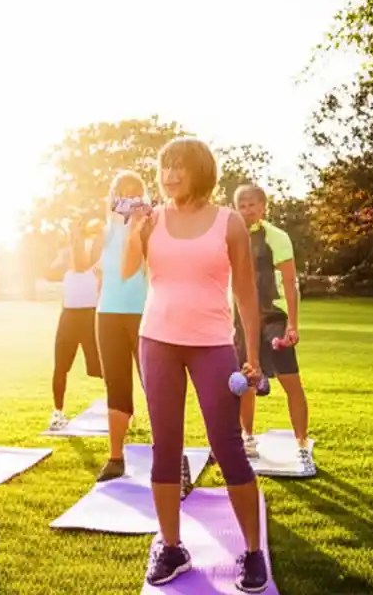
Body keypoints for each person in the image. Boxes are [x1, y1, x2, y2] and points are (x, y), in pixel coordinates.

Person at [122, 137, 267, 592]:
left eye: (179, 168)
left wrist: (254, 357)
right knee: (165, 446)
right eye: (164, 167)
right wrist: (134, 228)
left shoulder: (229, 223)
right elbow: (127, 270)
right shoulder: (153, 220)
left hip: (212, 346)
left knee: (227, 446)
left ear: (200, 171)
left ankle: (251, 551)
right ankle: (171, 546)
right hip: (157, 342)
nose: (168, 176)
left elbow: (246, 291)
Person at [88, 171, 189, 488]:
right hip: (107, 315)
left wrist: (139, 226)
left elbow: (142, 266)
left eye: (134, 190)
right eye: (121, 190)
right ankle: (116, 458)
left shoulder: (151, 225)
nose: (128, 195)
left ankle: (177, 460)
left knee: (157, 388)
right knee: (115, 386)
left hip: (144, 315)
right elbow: (97, 270)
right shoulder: (105, 230)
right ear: (113, 195)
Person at [232, 184, 312, 474]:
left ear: (263, 207)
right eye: (242, 204)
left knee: (291, 382)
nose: (247, 209)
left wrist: (292, 323)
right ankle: (248, 439)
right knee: (245, 385)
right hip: (241, 321)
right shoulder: (230, 237)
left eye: (252, 204)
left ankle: (302, 446)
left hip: (272, 318)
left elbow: (290, 282)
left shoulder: (276, 237)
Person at [45, 217, 102, 430]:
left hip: (90, 318)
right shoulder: (67, 265)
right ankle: (57, 412)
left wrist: (92, 230)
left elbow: (97, 241)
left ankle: (120, 408)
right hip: (68, 318)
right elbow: (72, 255)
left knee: (98, 369)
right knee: (61, 367)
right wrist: (75, 232)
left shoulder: (96, 267)